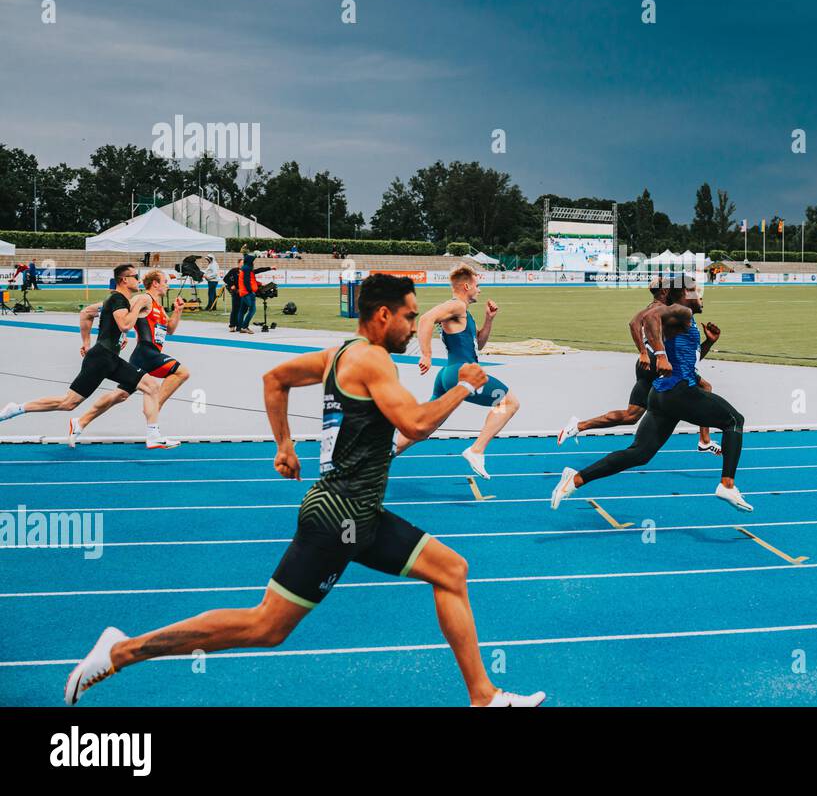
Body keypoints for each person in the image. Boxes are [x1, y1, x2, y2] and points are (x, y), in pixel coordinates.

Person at [63, 273, 545, 708]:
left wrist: (284, 445)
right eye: (409, 316)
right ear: (383, 316)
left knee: (450, 571)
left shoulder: (338, 354)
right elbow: (416, 425)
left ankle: (484, 697)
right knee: (264, 625)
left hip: (355, 512)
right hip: (342, 516)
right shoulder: (375, 361)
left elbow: (275, 379)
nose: (414, 326)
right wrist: (462, 388)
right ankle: (121, 652)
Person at [551, 275, 750, 512]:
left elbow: (686, 361)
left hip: (662, 396)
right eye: (696, 291)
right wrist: (660, 354)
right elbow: (649, 317)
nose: (701, 296)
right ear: (684, 294)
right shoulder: (682, 312)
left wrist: (708, 343)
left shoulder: (684, 320)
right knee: (734, 421)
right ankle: (727, 484)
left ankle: (575, 479)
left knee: (640, 453)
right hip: (678, 392)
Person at [557, 275, 721, 454]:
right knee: (702, 388)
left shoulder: (674, 310)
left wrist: (707, 342)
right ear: (665, 292)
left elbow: (691, 357)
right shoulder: (658, 307)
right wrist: (643, 352)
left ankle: (579, 425)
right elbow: (634, 323)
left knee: (631, 415)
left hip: (658, 362)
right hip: (653, 362)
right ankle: (703, 440)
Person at [0, 264, 163, 431]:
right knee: (68, 403)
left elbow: (87, 312)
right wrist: (137, 306)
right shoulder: (117, 299)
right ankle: (17, 408)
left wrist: (86, 343)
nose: (139, 280)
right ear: (124, 280)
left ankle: (153, 436)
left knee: (151, 386)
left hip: (110, 358)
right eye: (136, 276)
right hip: (101, 358)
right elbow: (125, 325)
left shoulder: (120, 301)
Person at [402, 266, 518, 480]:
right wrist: (426, 354)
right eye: (478, 285)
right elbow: (426, 319)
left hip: (448, 375)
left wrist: (489, 319)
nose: (480, 290)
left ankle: (381, 456)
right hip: (462, 373)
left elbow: (478, 346)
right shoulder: (456, 306)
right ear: (467, 286)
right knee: (509, 403)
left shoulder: (463, 313)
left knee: (424, 428)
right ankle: (476, 450)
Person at [69, 270, 188, 449]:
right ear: (155, 283)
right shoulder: (143, 299)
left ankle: (80, 422)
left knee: (120, 395)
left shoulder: (159, 306)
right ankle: (154, 418)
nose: (167, 284)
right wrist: (114, 324)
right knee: (182, 372)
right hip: (146, 352)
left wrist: (178, 311)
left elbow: (169, 329)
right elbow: (119, 313)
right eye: (164, 281)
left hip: (147, 355)